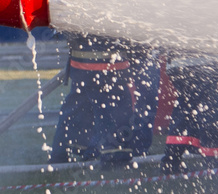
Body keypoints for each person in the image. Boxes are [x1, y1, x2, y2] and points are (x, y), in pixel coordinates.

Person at [49, 33, 152, 165]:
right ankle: (115, 158)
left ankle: (62, 154)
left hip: (80, 66)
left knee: (77, 109)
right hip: (108, 66)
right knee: (116, 112)